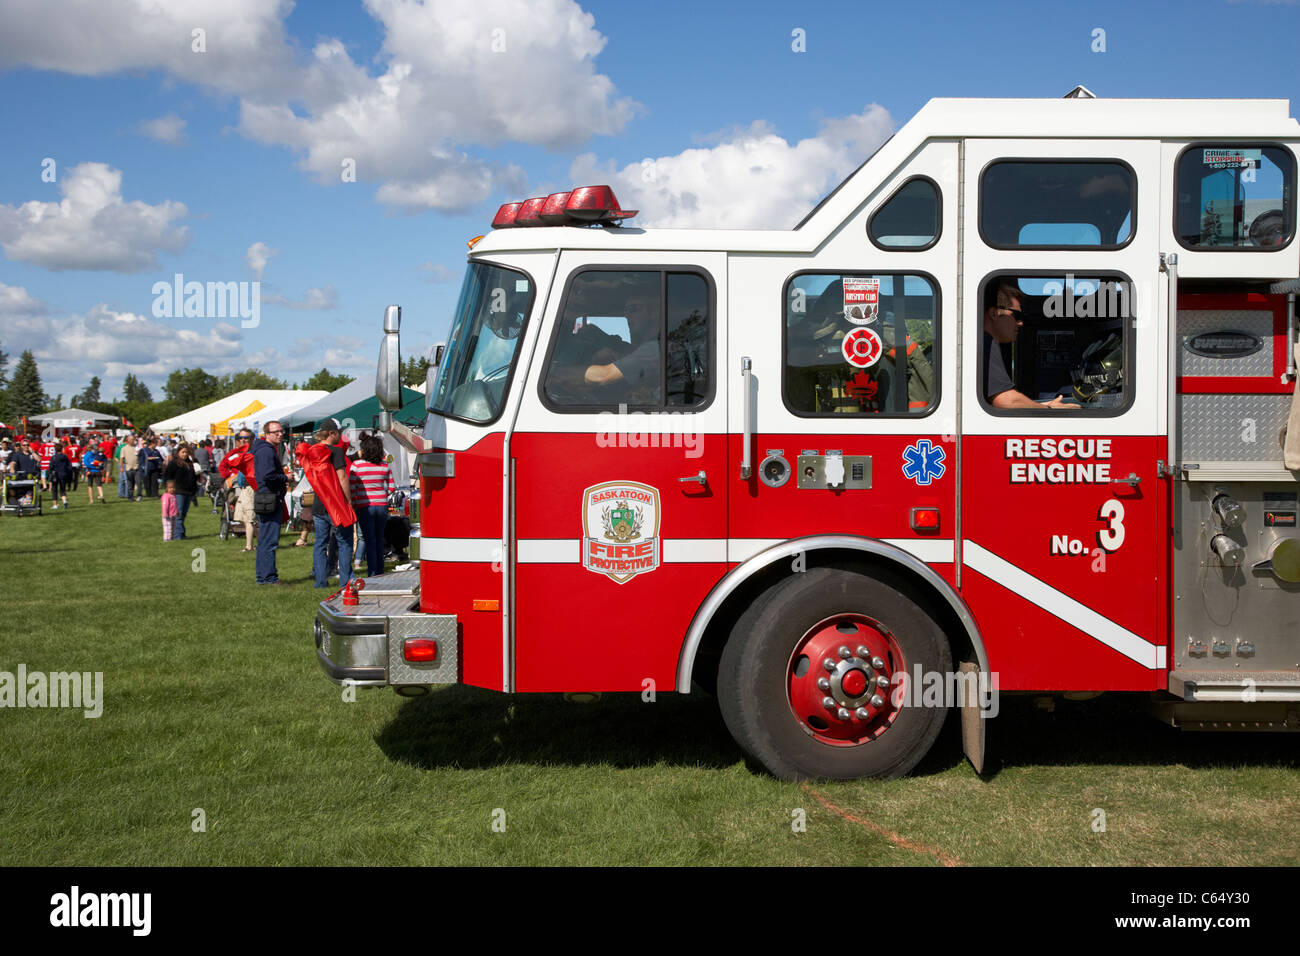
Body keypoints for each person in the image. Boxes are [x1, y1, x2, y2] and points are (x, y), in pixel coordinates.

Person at [983, 282, 1078, 410]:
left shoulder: (983, 343)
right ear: (994, 314)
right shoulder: (986, 344)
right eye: (1016, 316)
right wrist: (1049, 410)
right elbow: (1006, 401)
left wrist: (1043, 405)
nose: (1020, 323)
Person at [300, 419, 355, 589]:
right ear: (332, 433)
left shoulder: (312, 452)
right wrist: (349, 500)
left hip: (319, 505)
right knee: (344, 543)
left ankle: (320, 581)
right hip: (336, 505)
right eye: (339, 432)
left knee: (320, 544)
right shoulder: (336, 452)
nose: (341, 436)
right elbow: (342, 478)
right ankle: (345, 582)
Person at [349, 435, 395, 577]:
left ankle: (372, 572)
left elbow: (352, 486)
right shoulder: (385, 465)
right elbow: (392, 487)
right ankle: (380, 570)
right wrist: (382, 493)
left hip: (364, 506)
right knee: (379, 538)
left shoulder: (356, 465)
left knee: (369, 539)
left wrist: (356, 499)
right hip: (382, 505)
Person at [251, 421, 289, 585]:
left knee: (265, 541)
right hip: (269, 497)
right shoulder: (266, 451)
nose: (280, 434)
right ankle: (268, 578)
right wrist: (285, 478)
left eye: (281, 431)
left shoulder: (264, 449)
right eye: (276, 432)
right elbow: (267, 476)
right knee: (269, 541)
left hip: (267, 497)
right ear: (267, 434)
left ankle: (265, 577)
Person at [162, 443, 199, 539]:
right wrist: (169, 488)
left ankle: (181, 533)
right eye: (182, 452)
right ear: (178, 452)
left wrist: (194, 490)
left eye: (186, 452)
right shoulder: (174, 463)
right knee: (178, 514)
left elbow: (193, 478)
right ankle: (177, 535)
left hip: (188, 491)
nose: (184, 454)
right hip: (178, 492)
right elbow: (167, 476)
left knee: (183, 514)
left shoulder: (190, 464)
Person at [48, 442, 73, 510]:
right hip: (63, 474)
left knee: (54, 490)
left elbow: (50, 467)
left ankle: (55, 505)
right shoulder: (65, 456)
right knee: (62, 489)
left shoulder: (53, 457)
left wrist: (50, 475)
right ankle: (64, 501)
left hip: (55, 475)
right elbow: (69, 466)